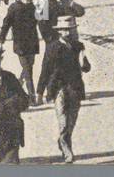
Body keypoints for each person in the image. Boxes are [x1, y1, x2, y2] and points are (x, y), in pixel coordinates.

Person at [37, 15, 90, 162]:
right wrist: (40, 92)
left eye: (70, 30)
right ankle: (67, 151)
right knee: (63, 121)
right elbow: (45, 70)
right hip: (58, 89)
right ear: (59, 31)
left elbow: (86, 67)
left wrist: (84, 62)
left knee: (71, 121)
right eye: (64, 30)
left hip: (75, 88)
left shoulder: (79, 46)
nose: (67, 33)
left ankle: (63, 141)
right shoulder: (53, 47)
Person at [0, 0, 41, 104]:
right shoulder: (14, 8)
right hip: (21, 44)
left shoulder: (35, 7)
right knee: (28, 70)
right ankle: (32, 98)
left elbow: (43, 23)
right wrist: (1, 41)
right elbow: (6, 24)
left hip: (32, 43)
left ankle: (16, 87)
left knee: (28, 68)